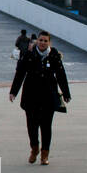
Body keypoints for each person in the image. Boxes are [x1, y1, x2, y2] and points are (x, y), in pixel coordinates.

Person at [10, 30, 71, 165]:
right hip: (31, 96)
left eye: (45, 41)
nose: (42, 43)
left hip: (48, 97)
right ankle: (34, 148)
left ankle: (45, 154)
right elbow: (20, 73)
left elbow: (61, 75)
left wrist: (66, 93)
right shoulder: (29, 55)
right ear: (37, 41)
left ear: (49, 42)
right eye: (41, 40)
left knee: (46, 126)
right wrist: (13, 91)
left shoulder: (54, 56)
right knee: (32, 126)